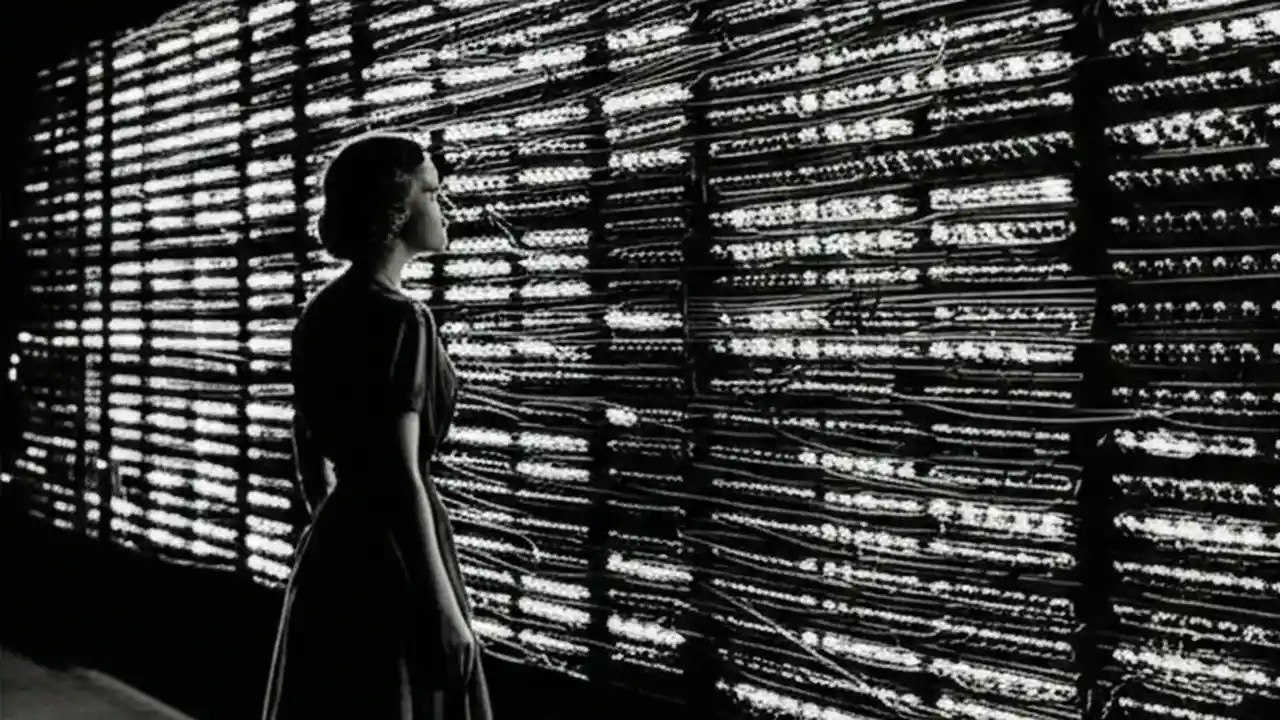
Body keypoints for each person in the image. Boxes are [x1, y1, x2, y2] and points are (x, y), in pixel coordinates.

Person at [261, 133, 492, 719]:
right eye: (433, 193)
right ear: (395, 207)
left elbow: (307, 439)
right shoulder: (404, 320)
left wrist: (336, 524)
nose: (444, 208)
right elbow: (402, 473)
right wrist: (440, 604)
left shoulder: (324, 311)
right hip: (397, 554)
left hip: (337, 548)